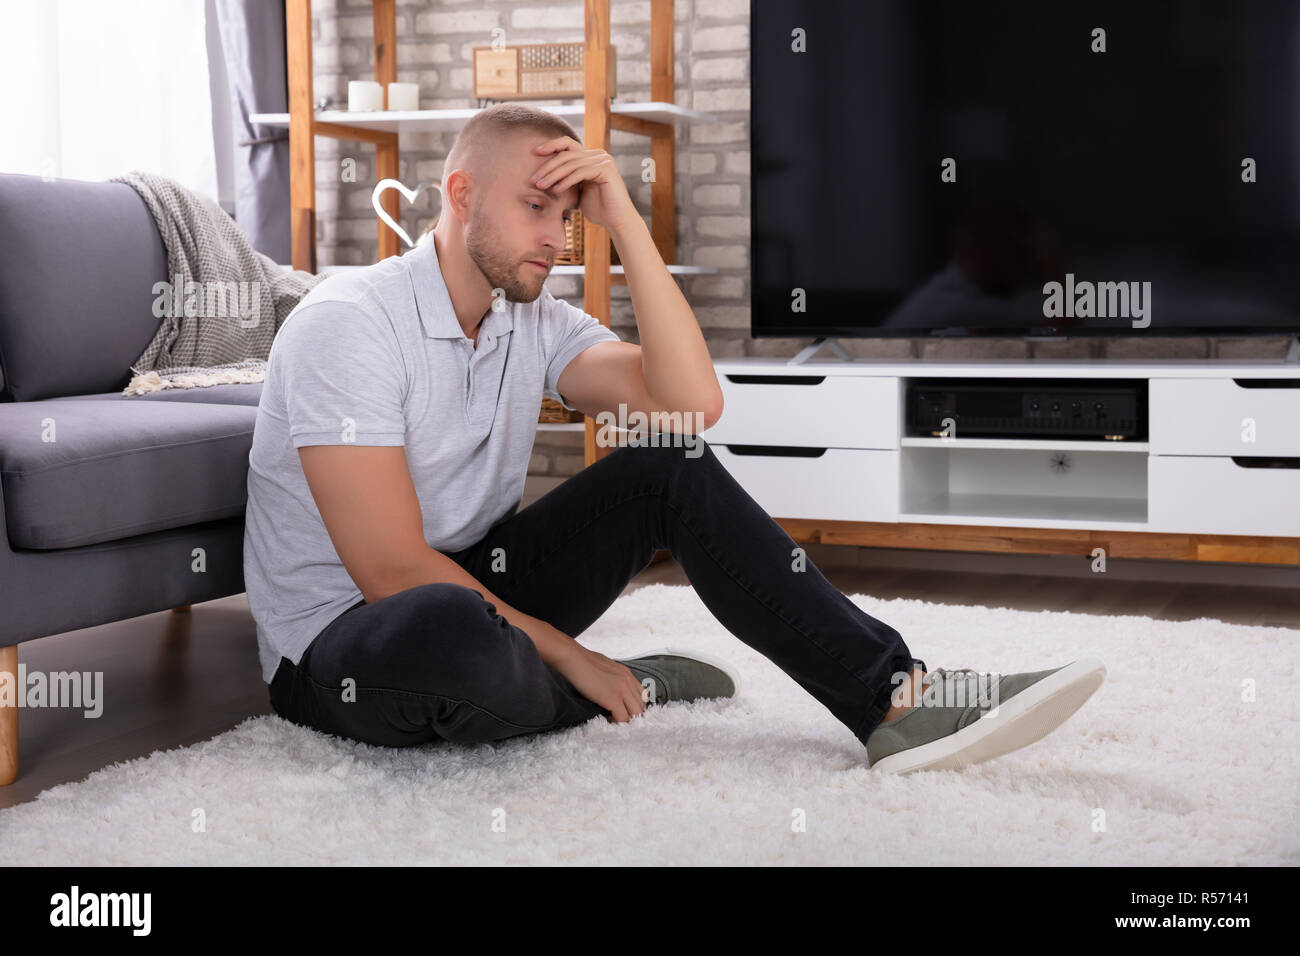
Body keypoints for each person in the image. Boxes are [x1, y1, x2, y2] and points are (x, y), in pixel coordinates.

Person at [243, 103, 1106, 775]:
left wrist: (628, 223)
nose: (557, 235)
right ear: (460, 195)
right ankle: (603, 684)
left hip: (483, 588)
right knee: (452, 631)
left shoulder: (531, 319)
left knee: (672, 466)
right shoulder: (350, 325)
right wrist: (575, 653)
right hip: (348, 642)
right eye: (536, 207)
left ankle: (894, 698)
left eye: (569, 214)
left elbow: (691, 406)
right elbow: (389, 571)